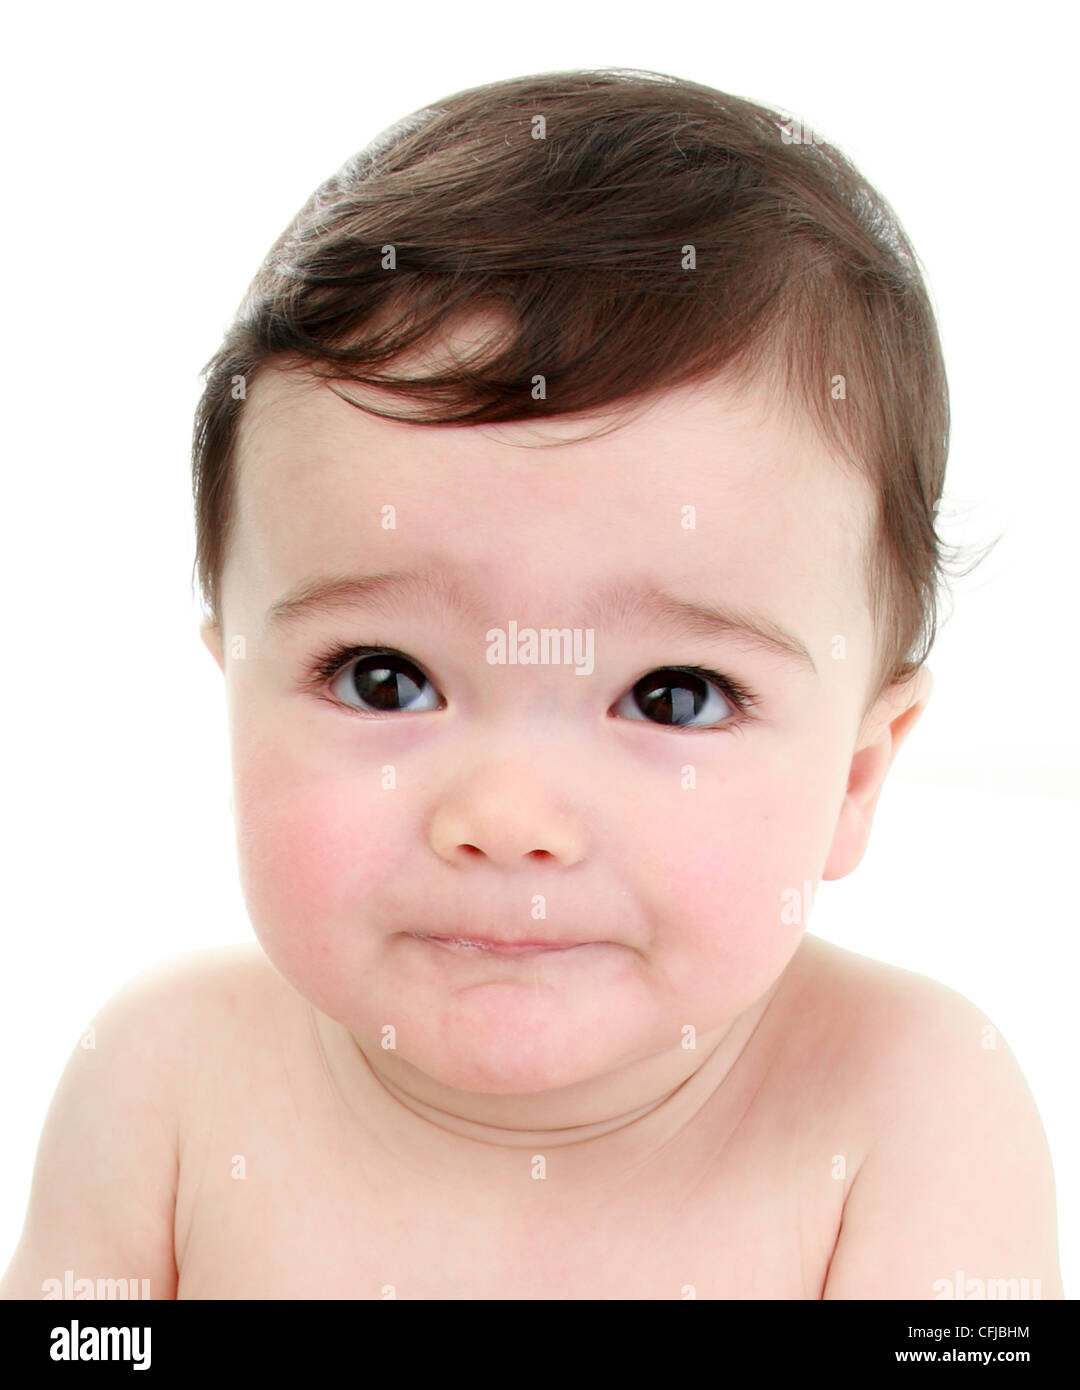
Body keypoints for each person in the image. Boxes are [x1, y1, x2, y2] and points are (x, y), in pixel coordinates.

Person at [1, 67, 1062, 1300]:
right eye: (385, 678)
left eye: (673, 695)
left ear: (858, 777)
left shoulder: (912, 1110)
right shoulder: (161, 1081)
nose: (508, 819)